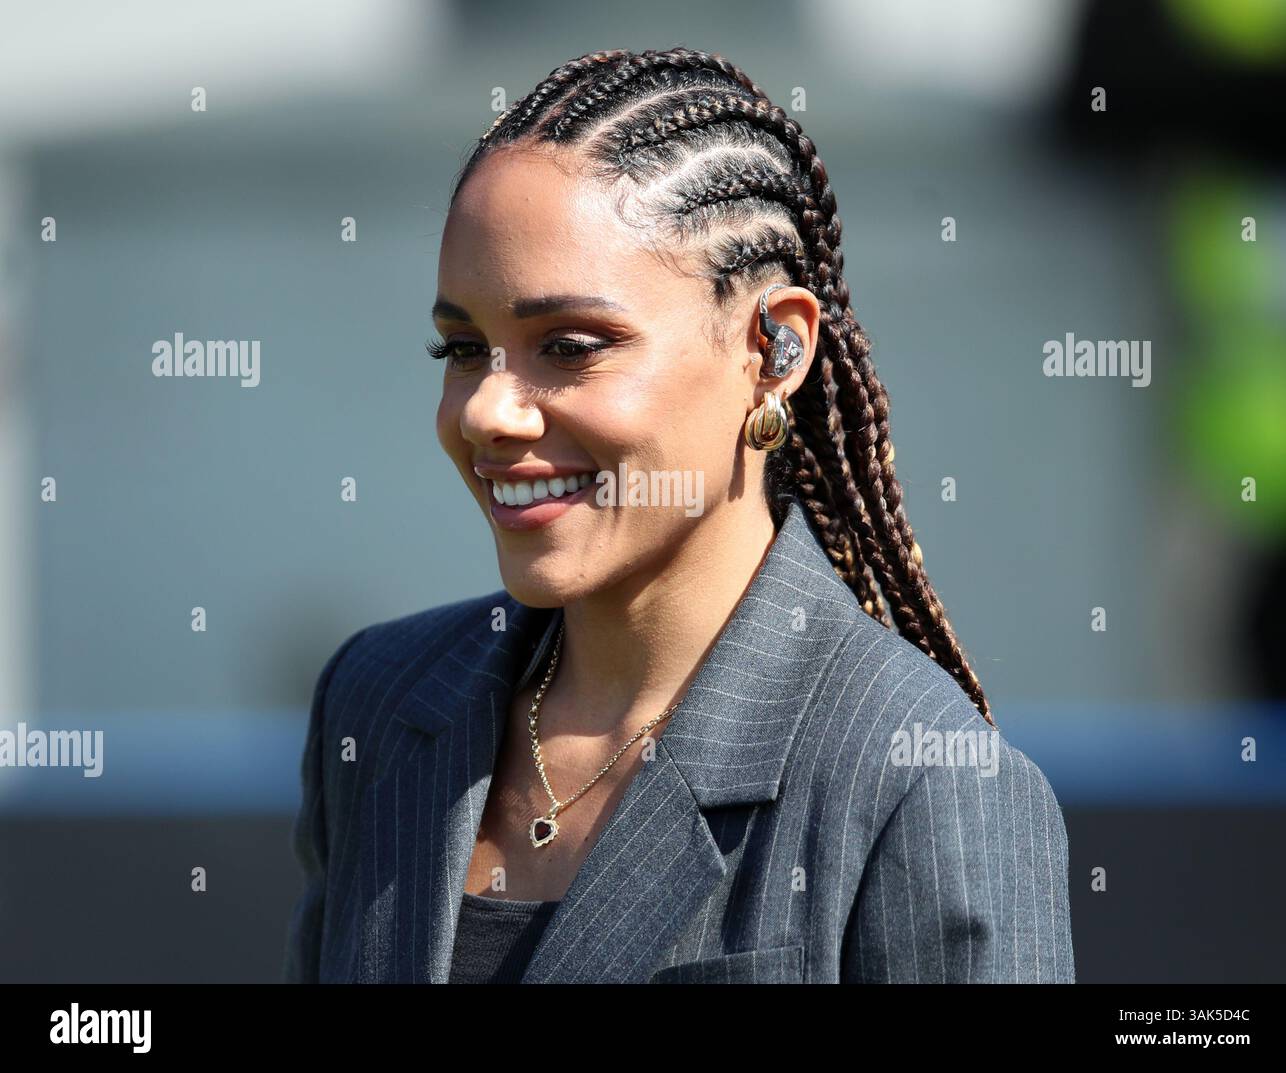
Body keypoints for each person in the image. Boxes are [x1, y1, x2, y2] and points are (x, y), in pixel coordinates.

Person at [284, 46, 1074, 984]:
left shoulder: (919, 784)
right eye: (461, 348)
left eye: (570, 345)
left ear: (772, 349)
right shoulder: (381, 706)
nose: (489, 412)